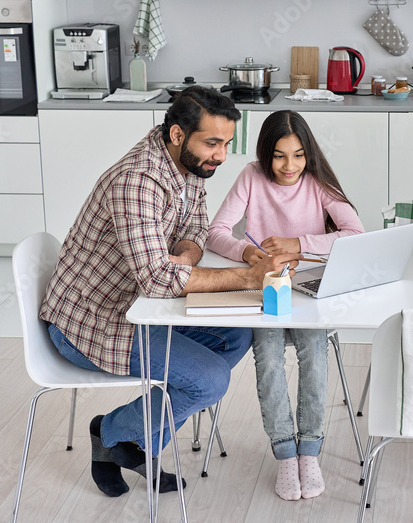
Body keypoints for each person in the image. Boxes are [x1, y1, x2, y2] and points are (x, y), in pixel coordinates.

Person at [39, 86, 298, 498]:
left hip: (139, 309)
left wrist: (188, 250)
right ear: (178, 135)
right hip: (92, 323)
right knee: (209, 381)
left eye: (227, 144)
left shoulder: (187, 167)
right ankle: (109, 433)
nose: (221, 156)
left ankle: (135, 441)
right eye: (212, 143)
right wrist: (248, 278)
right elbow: (160, 282)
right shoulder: (138, 181)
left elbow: (196, 225)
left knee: (236, 335)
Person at [206, 110, 364, 501]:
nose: (289, 166)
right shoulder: (251, 176)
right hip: (267, 290)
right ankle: (284, 453)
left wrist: (299, 244)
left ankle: (309, 451)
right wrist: (250, 254)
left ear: (307, 154)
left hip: (310, 289)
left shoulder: (317, 180)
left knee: (313, 351)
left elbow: (355, 233)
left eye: (297, 155)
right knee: (269, 355)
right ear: (265, 154)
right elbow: (215, 232)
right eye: (279, 156)